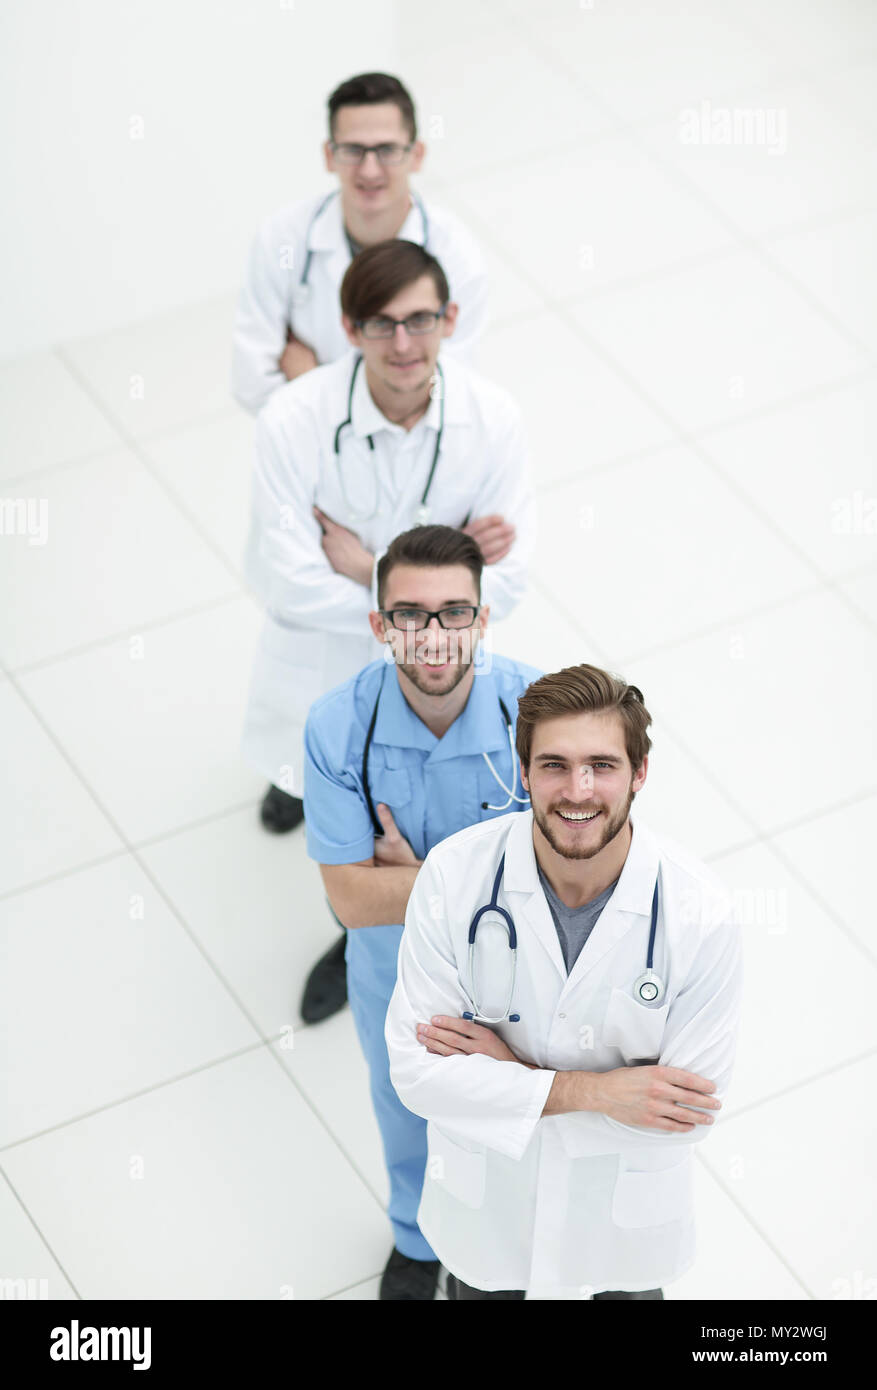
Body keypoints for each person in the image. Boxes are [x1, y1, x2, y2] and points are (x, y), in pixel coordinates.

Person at [241, 239, 533, 1020]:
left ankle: (355, 940)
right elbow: (293, 579)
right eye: (381, 324)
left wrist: (366, 569)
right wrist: (444, 582)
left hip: (430, 668)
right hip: (324, 652)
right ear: (350, 327)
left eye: (420, 321)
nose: (403, 344)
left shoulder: (493, 419)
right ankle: (294, 792)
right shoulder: (294, 420)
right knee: (319, 770)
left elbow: (510, 578)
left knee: (395, 823)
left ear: (449, 319)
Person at [385, 664, 744, 1300]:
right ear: (523, 773)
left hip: (621, 1232)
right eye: (554, 765)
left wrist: (510, 1083)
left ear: (639, 773)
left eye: (602, 766)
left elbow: (685, 1116)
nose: (578, 790)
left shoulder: (699, 913)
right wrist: (603, 1092)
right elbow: (419, 1075)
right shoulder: (454, 876)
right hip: (488, 1221)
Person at [302, 525, 542, 1299]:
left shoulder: (536, 710)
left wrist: (414, 879)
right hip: (395, 970)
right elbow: (347, 897)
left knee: (521, 1102)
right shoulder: (338, 727)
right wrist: (490, 877)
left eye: (453, 613)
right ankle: (415, 1235)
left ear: (482, 618)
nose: (433, 637)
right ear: (379, 626)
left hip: (524, 968)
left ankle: (512, 1229)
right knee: (405, 1103)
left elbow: (578, 869)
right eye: (410, 614)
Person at [231, 71, 487, 414]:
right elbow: (252, 383)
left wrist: (308, 380)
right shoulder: (283, 240)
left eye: (386, 150)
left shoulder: (456, 257)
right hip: (311, 455)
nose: (369, 170)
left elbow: (445, 396)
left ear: (417, 155)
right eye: (353, 150)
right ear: (329, 155)